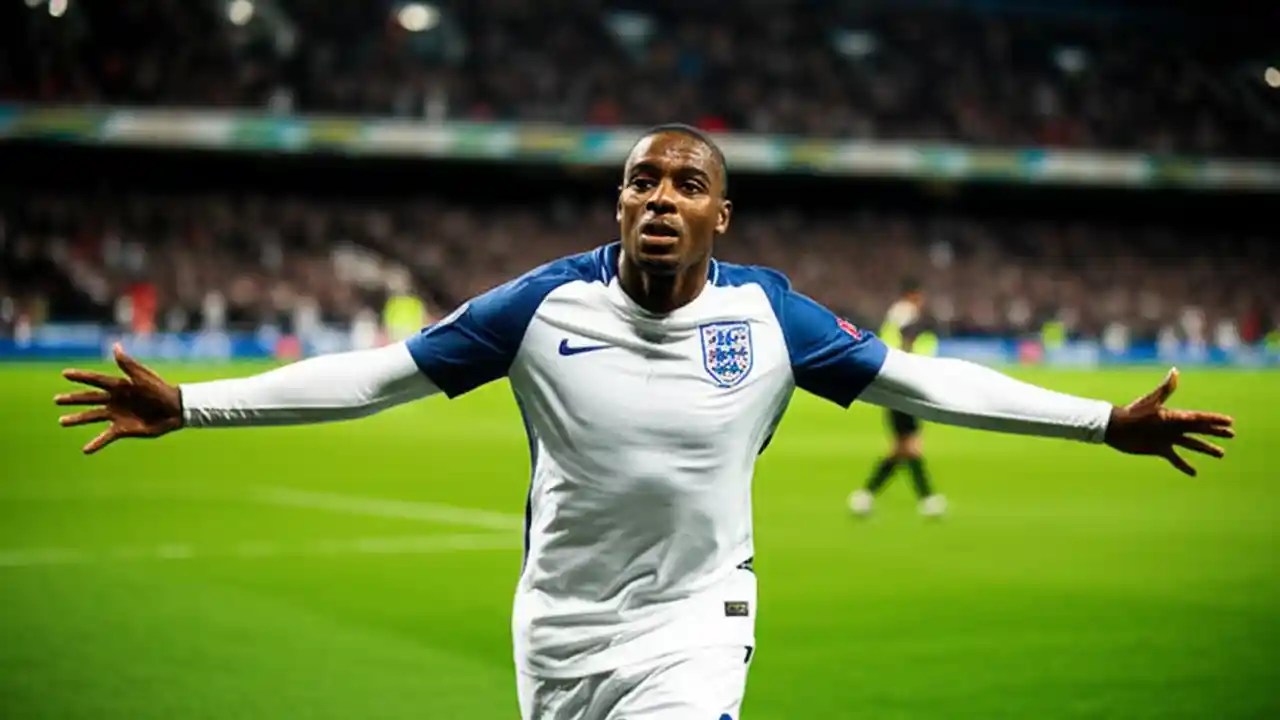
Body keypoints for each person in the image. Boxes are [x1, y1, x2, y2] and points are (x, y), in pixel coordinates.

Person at [54, 124, 1235, 720]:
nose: (655, 198)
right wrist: (190, 404)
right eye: (637, 181)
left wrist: (1098, 424)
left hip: (694, 622)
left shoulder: (773, 318)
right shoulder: (539, 306)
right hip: (555, 628)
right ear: (616, 201)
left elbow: (926, 386)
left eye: (681, 184)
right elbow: (377, 378)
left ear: (722, 210)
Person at [849, 277, 946, 518]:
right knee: (910, 447)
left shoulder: (896, 314)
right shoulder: (906, 314)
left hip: (897, 381)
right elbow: (905, 344)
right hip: (904, 383)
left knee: (903, 448)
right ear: (914, 294)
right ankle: (927, 499)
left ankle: (866, 496)